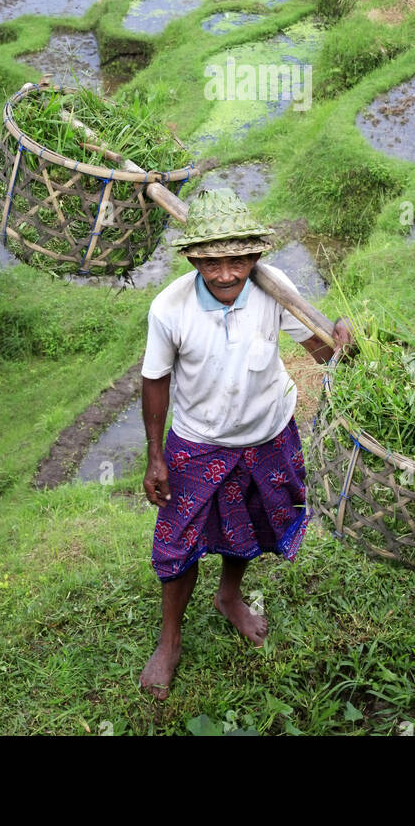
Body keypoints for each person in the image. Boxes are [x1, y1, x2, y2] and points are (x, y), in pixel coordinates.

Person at [139, 188, 353, 699]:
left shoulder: (273, 288)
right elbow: (154, 380)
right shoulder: (169, 308)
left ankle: (230, 596)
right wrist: (155, 455)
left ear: (256, 256)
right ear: (193, 258)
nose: (228, 274)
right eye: (213, 262)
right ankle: (170, 639)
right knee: (179, 542)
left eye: (239, 260)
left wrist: (341, 342)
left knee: (252, 522)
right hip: (199, 441)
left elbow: (319, 348)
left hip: (268, 433)